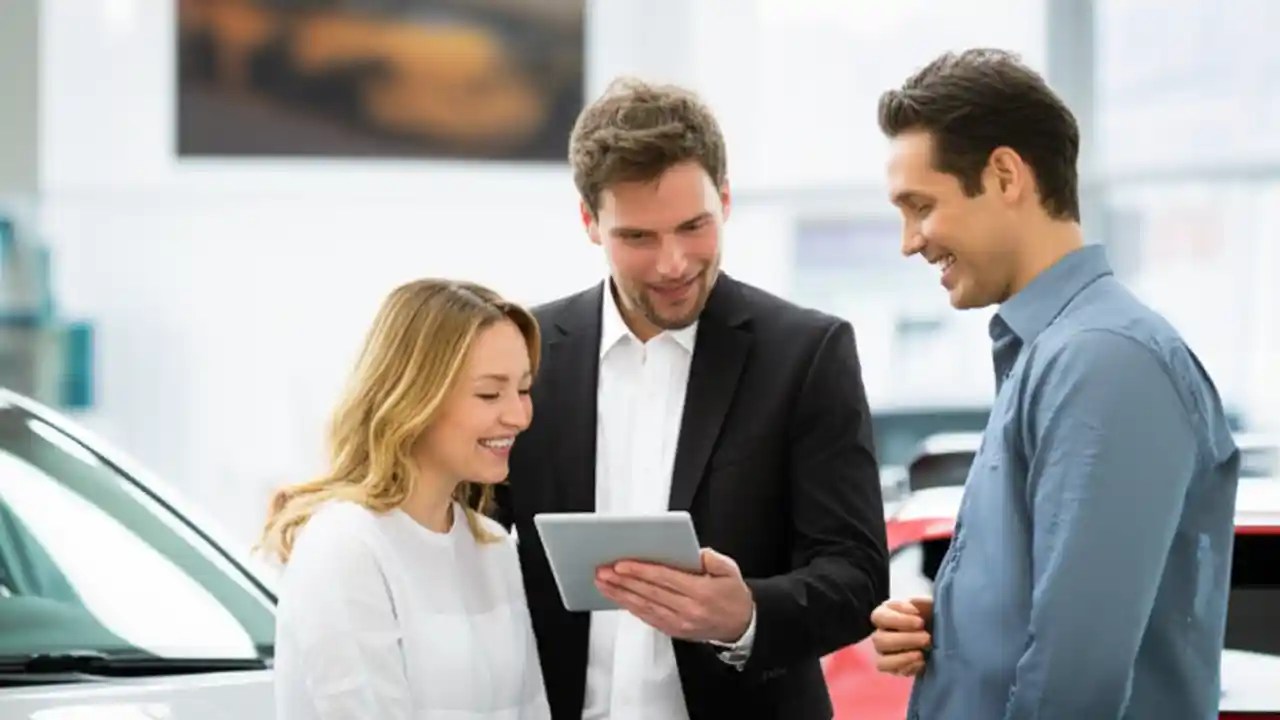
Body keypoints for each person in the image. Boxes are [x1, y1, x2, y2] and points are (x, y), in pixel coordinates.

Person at [494, 77, 889, 720]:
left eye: (693, 226)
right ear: (590, 222)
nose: (673, 262)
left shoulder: (806, 352)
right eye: (638, 238)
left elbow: (856, 575)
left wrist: (749, 614)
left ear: (726, 200)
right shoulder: (527, 354)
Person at [869, 49, 1241, 719]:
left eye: (921, 206)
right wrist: (956, 630)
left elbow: (1075, 681)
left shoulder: (1103, 361)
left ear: (1006, 175)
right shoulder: (1058, 352)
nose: (910, 241)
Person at [261, 279, 551, 719]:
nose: (519, 415)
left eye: (524, 389)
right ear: (416, 396)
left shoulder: (492, 545)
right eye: (490, 394)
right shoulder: (346, 546)